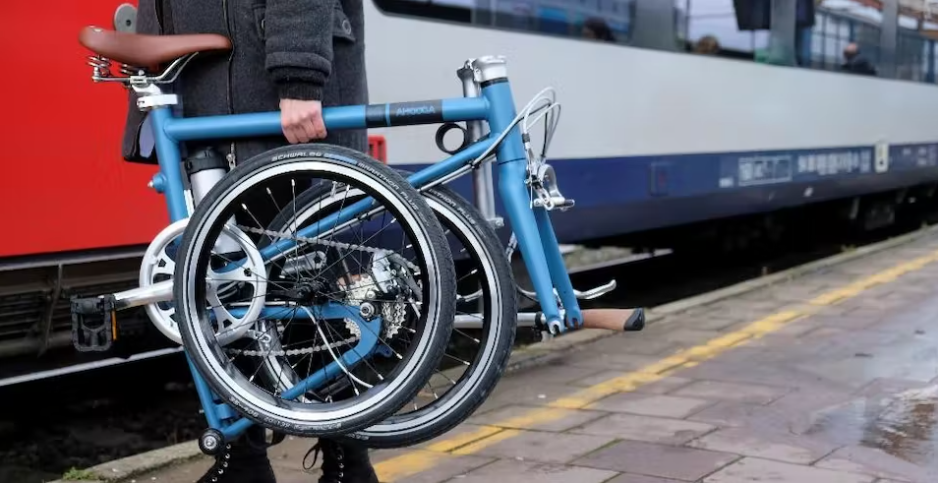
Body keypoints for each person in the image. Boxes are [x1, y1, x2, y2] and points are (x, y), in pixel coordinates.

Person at [121, 1, 379, 483]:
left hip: (269, 89)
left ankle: (349, 463)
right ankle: (244, 463)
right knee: (226, 293)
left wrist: (298, 76)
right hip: (206, 90)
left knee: (305, 288)